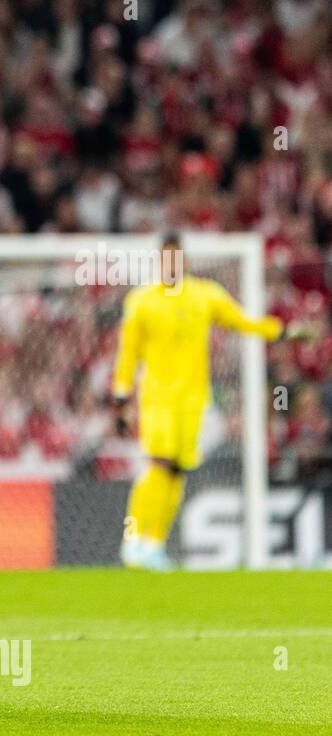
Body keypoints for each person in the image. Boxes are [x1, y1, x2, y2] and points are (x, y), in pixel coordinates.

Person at [112, 231, 284, 570]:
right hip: (157, 398)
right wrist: (120, 395)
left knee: (177, 471)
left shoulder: (205, 296)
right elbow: (128, 353)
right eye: (166, 257)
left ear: (184, 260)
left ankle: (154, 544)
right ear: (159, 261)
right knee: (158, 462)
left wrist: (278, 330)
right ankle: (132, 540)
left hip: (193, 401)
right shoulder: (142, 300)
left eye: (177, 256)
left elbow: (242, 321)